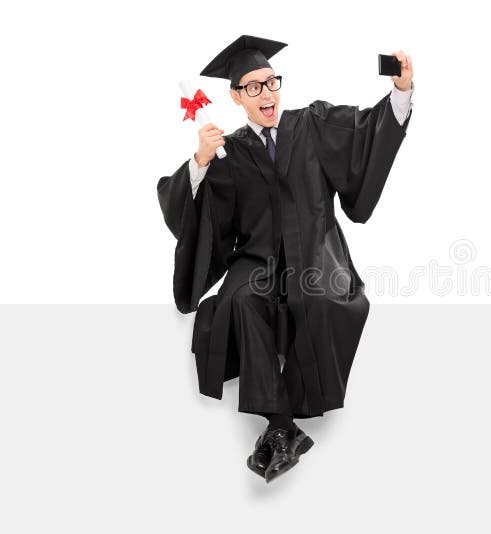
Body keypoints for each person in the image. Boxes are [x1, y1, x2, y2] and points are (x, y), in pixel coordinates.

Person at [156, 35, 413, 484]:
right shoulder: (228, 152)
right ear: (236, 97)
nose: (268, 93)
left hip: (315, 248)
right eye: (253, 87)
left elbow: (367, 129)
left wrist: (400, 92)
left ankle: (279, 428)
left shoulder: (311, 124)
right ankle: (284, 428)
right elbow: (194, 213)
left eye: (271, 82)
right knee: (239, 302)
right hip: (256, 259)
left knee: (321, 301)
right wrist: (199, 161)